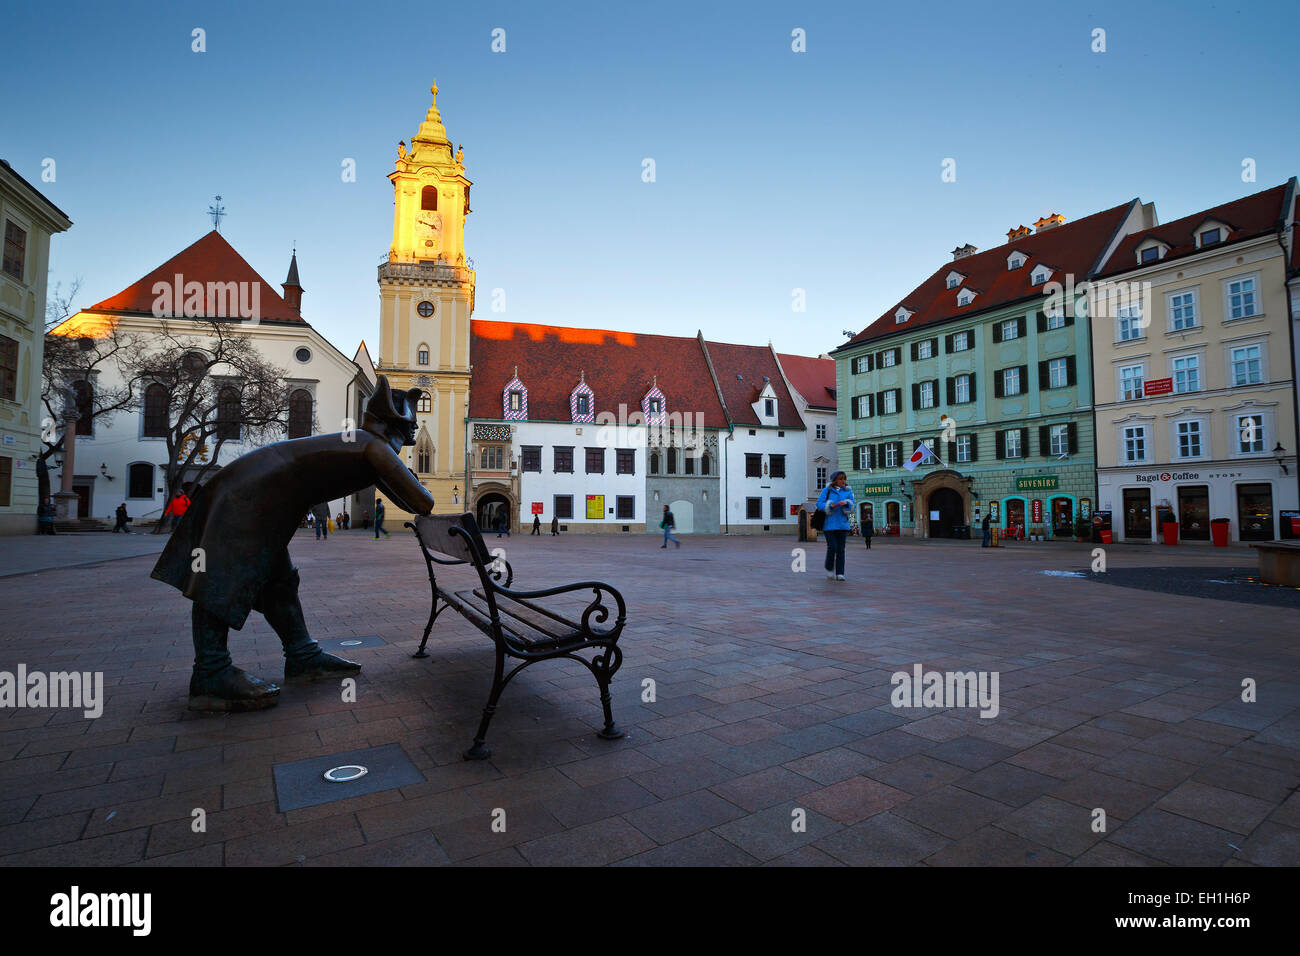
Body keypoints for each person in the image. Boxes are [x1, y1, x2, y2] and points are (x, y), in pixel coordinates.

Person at [151, 375, 434, 711]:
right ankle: (210, 673)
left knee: (278, 584)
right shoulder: (374, 446)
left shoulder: (368, 445)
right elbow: (421, 503)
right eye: (410, 425)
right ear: (395, 425)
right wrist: (411, 479)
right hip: (247, 499)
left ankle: (302, 655)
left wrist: (406, 479)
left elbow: (404, 495)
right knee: (222, 579)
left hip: (252, 492)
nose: (414, 432)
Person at [816, 470, 855, 581]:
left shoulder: (848, 491)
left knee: (841, 549)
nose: (843, 481)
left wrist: (847, 503)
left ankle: (840, 573)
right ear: (835, 480)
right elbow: (819, 504)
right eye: (840, 479)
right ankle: (829, 568)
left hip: (842, 525)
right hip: (829, 525)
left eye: (844, 479)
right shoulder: (826, 491)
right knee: (832, 547)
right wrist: (830, 505)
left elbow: (853, 505)